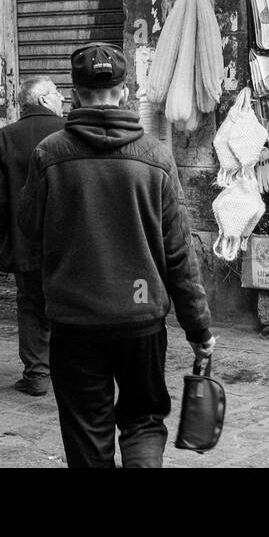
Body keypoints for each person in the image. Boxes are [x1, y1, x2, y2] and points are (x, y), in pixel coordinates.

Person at [17, 42, 215, 467]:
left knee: (88, 431)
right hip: (141, 323)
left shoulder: (49, 155)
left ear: (73, 95)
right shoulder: (156, 158)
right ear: (125, 93)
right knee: (143, 421)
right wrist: (199, 330)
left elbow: (28, 232)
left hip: (75, 323)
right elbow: (179, 255)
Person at [0, 76, 65, 396]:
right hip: (70, 243)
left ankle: (36, 374)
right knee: (71, 306)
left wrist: (8, 233)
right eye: (59, 94)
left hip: (25, 242)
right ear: (44, 99)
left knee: (31, 304)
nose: (63, 99)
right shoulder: (72, 132)